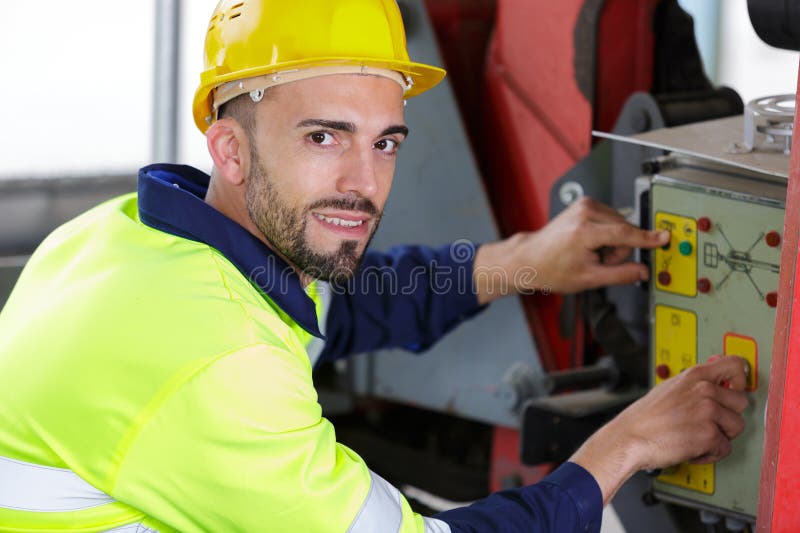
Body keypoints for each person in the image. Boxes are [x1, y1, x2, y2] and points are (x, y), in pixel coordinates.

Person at [0, 1, 749, 532]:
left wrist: (524, 261)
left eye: (385, 141)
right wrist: (631, 442)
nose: (364, 182)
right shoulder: (220, 364)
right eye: (325, 137)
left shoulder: (121, 235)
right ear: (229, 148)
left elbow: (343, 306)